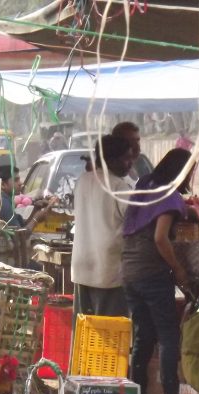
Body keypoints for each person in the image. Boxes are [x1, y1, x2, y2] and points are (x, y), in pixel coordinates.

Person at [120, 148, 195, 394]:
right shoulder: (169, 196)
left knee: (144, 334)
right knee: (168, 334)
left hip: (129, 268)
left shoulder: (146, 184)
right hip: (151, 270)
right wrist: (178, 269)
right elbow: (161, 238)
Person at [71, 135, 134, 319]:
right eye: (126, 158)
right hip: (108, 269)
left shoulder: (83, 180)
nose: (130, 164)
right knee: (108, 332)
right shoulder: (119, 186)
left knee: (84, 330)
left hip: (82, 266)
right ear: (111, 160)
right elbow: (134, 222)